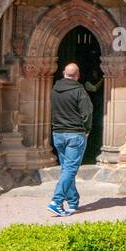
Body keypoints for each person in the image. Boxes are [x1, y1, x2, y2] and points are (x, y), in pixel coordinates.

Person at [46, 62, 92, 217]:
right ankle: (56, 201)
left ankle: (73, 201)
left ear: (63, 73)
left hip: (58, 133)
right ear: (77, 75)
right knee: (70, 169)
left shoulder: (54, 89)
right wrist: (87, 129)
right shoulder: (79, 91)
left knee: (66, 169)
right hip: (75, 134)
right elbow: (87, 113)